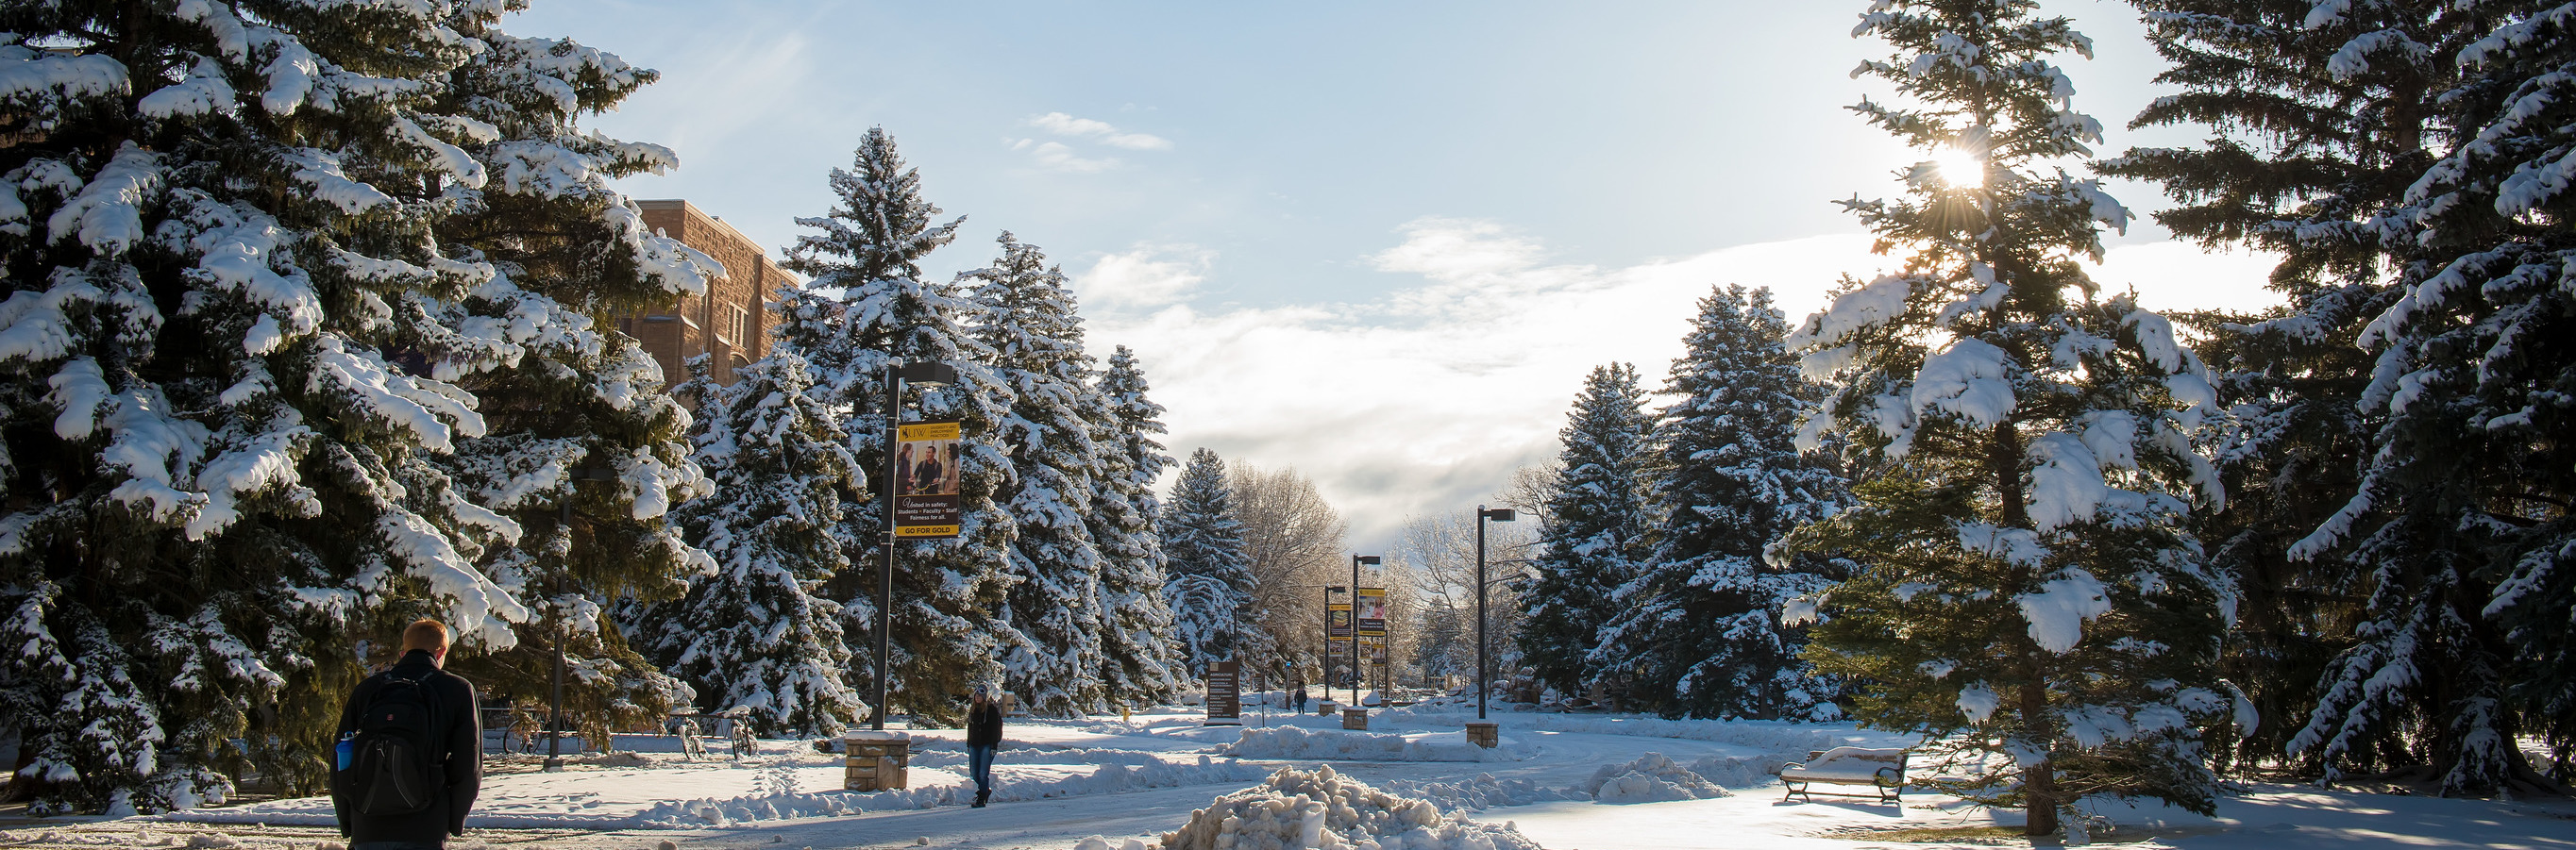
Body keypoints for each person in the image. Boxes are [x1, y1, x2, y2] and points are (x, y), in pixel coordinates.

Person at [333, 619, 482, 850]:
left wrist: (349, 822)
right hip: (426, 825)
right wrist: (453, 821)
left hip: (367, 822)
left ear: (403, 653)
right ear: (441, 651)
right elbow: (468, 764)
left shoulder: (368, 690)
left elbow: (341, 758)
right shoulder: (457, 689)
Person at [966, 684, 1002, 808]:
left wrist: (994, 745)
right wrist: (969, 743)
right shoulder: (973, 710)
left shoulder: (991, 711)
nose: (977, 698)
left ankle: (982, 798)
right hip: (974, 745)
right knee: (974, 772)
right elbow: (970, 728)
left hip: (987, 745)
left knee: (983, 773)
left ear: (984, 697)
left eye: (979, 696)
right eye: (976, 695)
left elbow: (996, 729)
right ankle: (985, 789)